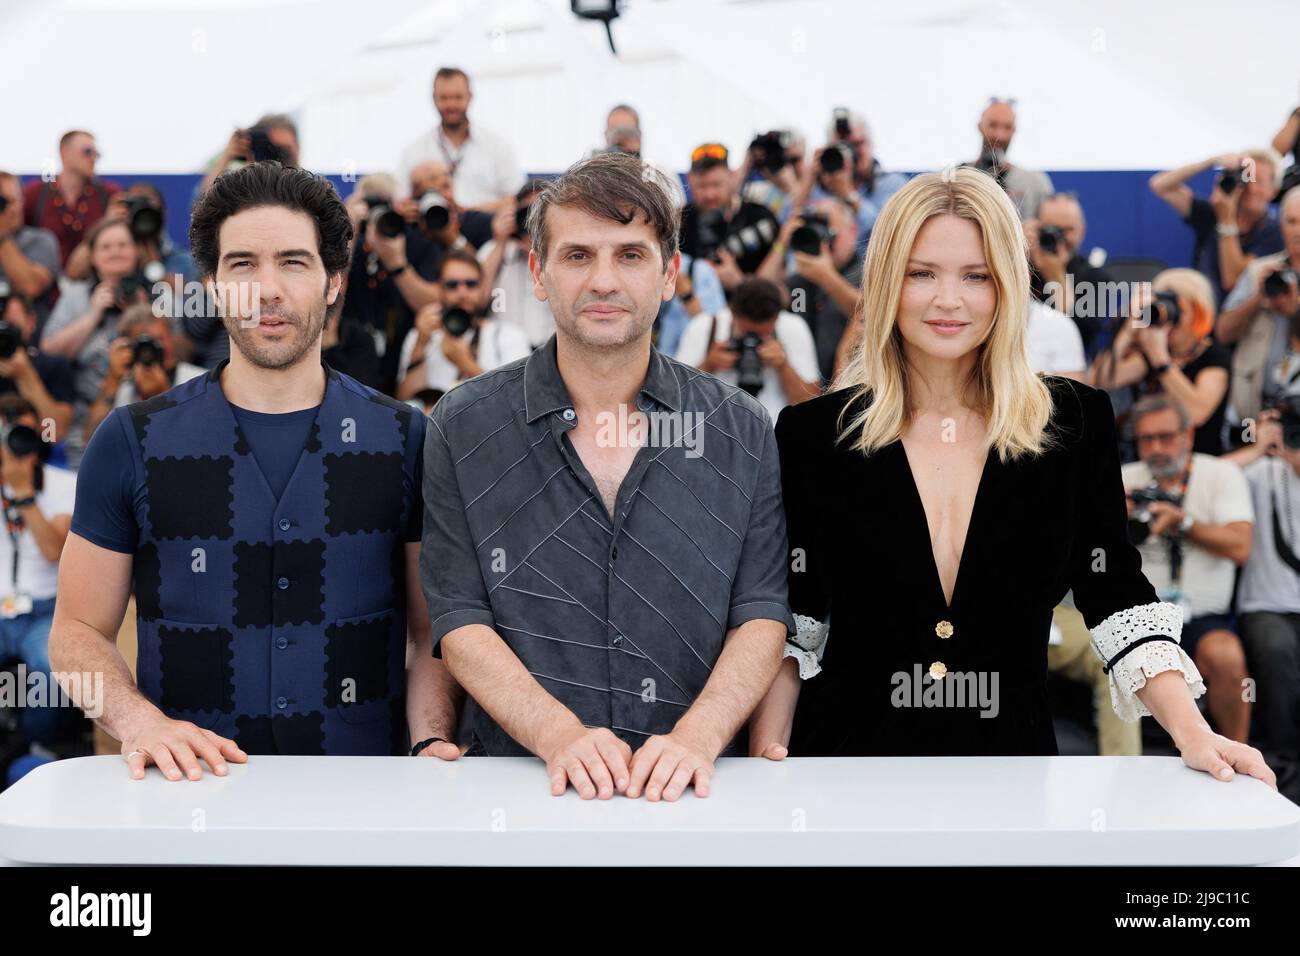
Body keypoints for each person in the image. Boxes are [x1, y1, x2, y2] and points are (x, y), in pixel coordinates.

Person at [748, 167, 1273, 787]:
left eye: (976, 276)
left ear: (1008, 286)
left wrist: (1194, 732)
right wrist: (768, 762)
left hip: (1014, 773)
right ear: (887, 281)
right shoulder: (813, 434)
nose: (950, 300)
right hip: (848, 772)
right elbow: (794, 624)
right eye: (922, 274)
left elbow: (1117, 598)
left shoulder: (1075, 423)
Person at [48, 162, 461, 780]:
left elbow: (432, 631)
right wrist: (141, 725)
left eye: (293, 262)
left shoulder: (405, 438)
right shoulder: (131, 440)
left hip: (361, 797)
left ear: (332, 282)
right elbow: (75, 632)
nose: (266, 288)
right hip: (191, 797)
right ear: (213, 285)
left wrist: (429, 743)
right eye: (242, 265)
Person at [421, 151, 793, 800]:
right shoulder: (462, 424)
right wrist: (558, 735)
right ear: (537, 273)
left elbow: (761, 614)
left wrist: (698, 738)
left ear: (670, 273)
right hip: (521, 795)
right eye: (577, 256)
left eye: (629, 254)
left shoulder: (741, 427)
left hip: (695, 800)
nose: (603, 280)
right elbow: (459, 620)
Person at [1122, 394, 1254, 743]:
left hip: (1202, 616)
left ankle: (1237, 751)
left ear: (1188, 435)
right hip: (1139, 617)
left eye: (1166, 436)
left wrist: (1186, 523)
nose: (1156, 448)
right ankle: (1121, 760)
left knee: (1226, 655)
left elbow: (1241, 546)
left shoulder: (1219, 474)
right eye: (1146, 439)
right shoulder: (1123, 479)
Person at [1226, 404, 1300, 802]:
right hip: (1267, 604)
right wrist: (1263, 447)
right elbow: (1212, 478)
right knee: (1276, 650)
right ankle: (1283, 761)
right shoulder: (1265, 473)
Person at [39, 217, 148, 466]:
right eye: (106, 247)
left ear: (136, 252)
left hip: (149, 411)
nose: (115, 252)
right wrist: (93, 314)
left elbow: (182, 353)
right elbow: (49, 350)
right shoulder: (77, 296)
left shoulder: (156, 293)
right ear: (93, 257)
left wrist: (142, 313)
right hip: (87, 416)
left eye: (123, 245)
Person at [0, 394, 76, 748]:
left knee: (49, 671)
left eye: (25, 436)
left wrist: (24, 493)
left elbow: (53, 551)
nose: (18, 447)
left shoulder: (63, 483)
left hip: (45, 612)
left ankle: (36, 746)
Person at [1088, 269, 1231, 457]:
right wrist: (1128, 332)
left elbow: (1197, 413)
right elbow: (1101, 381)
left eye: (1178, 310)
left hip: (1199, 463)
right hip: (1149, 462)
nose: (1168, 318)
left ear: (1199, 312)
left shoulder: (1214, 357)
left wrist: (1160, 359)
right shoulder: (1149, 355)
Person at [675, 276, 821, 421]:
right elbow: (675, 396)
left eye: (764, 334)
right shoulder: (705, 326)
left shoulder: (793, 327)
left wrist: (783, 366)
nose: (754, 341)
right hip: (718, 433)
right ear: (732, 313)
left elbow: (811, 404)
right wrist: (709, 365)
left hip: (774, 432)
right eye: (748, 333)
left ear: (777, 318)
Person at [1149, 150, 1285, 302]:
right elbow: (1160, 185)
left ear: (1274, 190)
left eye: (1259, 181)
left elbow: (1234, 280)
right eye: (1247, 178)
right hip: (1202, 309)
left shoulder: (1275, 231)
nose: (1251, 189)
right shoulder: (1212, 214)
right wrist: (1212, 161)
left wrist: (1226, 220)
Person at [1216, 186, 1300, 430]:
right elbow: (1223, 333)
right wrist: (1257, 300)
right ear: (1280, 225)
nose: (1297, 230)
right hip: (1254, 409)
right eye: (1291, 221)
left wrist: (1292, 309)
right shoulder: (1259, 272)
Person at [395, 250, 529, 398]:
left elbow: (518, 399)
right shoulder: (420, 335)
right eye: (452, 285)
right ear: (440, 288)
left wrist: (466, 364)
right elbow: (406, 401)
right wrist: (420, 345)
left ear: (482, 287)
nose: (462, 293)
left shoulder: (509, 336)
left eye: (471, 284)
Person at [396, 67, 522, 211]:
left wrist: (470, 213)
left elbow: (515, 198)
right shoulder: (414, 151)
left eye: (458, 97)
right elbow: (401, 199)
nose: (451, 105)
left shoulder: (498, 147)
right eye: (444, 98)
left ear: (470, 96)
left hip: (487, 228)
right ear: (434, 99)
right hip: (431, 229)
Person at [82, 305, 205, 441]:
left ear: (172, 338)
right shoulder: (121, 384)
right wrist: (112, 380)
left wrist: (162, 397)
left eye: (159, 339)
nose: (150, 349)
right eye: (144, 342)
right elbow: (91, 439)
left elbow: (198, 441)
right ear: (130, 346)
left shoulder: (200, 381)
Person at [1023, 191, 1119, 360]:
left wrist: (1056, 276)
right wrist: (1015, 249)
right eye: (1052, 229)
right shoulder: (1018, 268)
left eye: (1068, 230)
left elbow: (1081, 339)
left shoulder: (1097, 280)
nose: (1060, 238)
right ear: (1036, 228)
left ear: (1082, 230)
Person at [476, 179, 558, 348]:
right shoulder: (495, 249)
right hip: (505, 354)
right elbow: (477, 300)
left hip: (552, 352)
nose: (533, 221)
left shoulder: (563, 252)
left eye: (541, 212)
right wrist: (500, 242)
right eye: (527, 212)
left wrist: (542, 253)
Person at [22, 130, 120, 266]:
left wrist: (110, 222)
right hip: (46, 280)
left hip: (93, 278)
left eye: (96, 154)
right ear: (64, 153)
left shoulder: (109, 194)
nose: (93, 158)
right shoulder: (35, 194)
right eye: (87, 152)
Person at [0, 291, 76, 444]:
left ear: (31, 322)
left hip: (36, 456)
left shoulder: (54, 367)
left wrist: (25, 375)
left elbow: (54, 434)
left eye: (10, 325)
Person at [969, 98, 1053, 221]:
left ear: (1014, 131)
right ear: (980, 126)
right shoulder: (956, 177)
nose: (999, 135)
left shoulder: (1036, 184)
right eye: (993, 125)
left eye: (1007, 127)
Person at [0, 171, 60, 329]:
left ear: (22, 202)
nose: (7, 209)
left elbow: (30, 287)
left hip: (27, 340)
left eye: (11, 201)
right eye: (2, 202)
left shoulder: (40, 240)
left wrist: (2, 236)